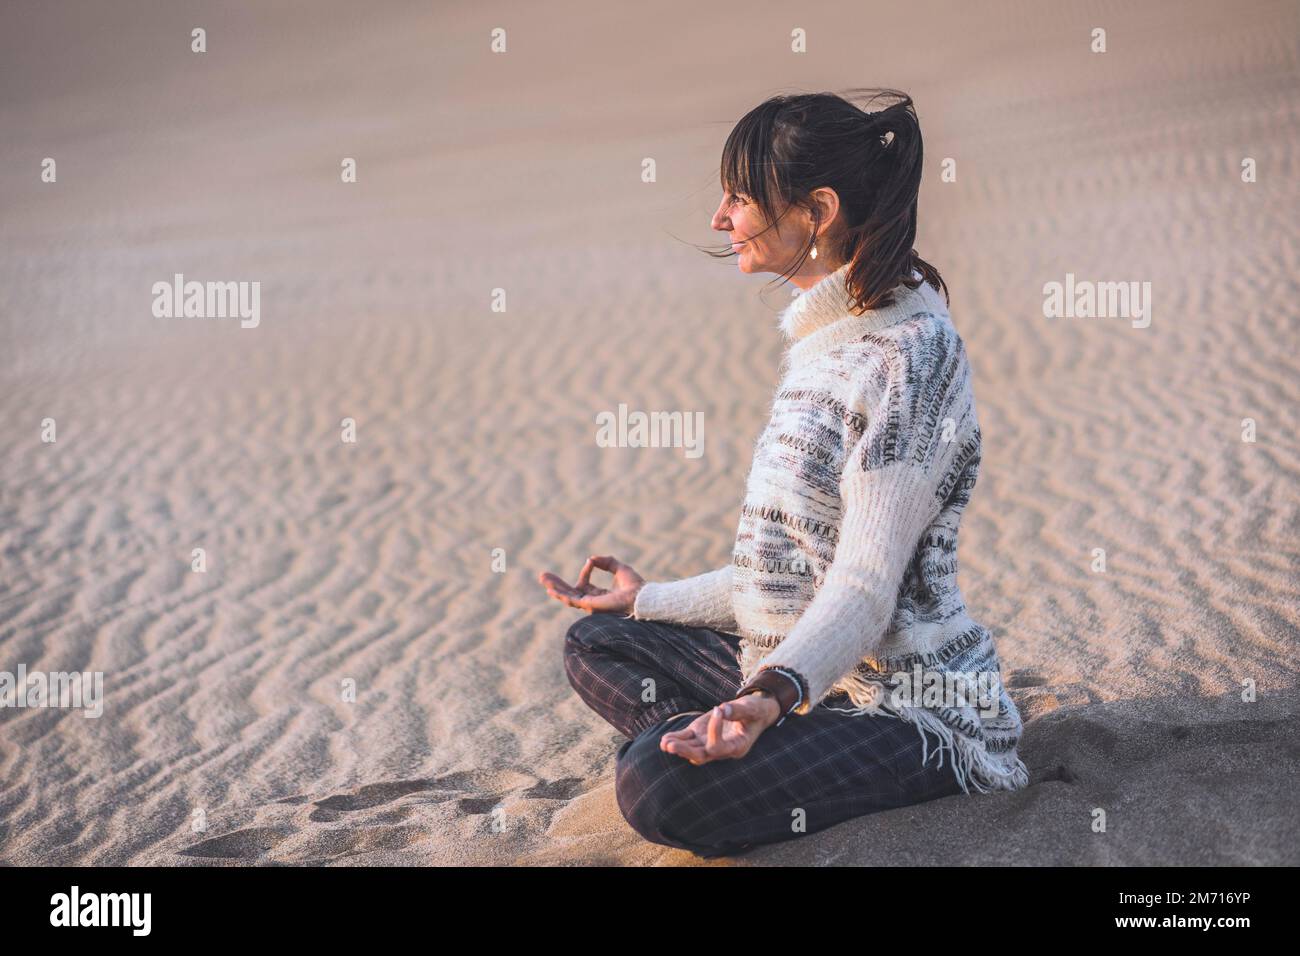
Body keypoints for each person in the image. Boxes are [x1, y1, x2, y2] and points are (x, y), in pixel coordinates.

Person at [539, 88, 1029, 858]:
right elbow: (794, 569)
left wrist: (765, 697)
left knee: (653, 787)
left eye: (739, 197)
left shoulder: (909, 359)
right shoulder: (827, 347)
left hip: (906, 704)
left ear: (817, 210)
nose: (719, 218)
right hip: (813, 675)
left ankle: (730, 752)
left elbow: (863, 586)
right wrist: (649, 600)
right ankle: (728, 747)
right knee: (602, 640)